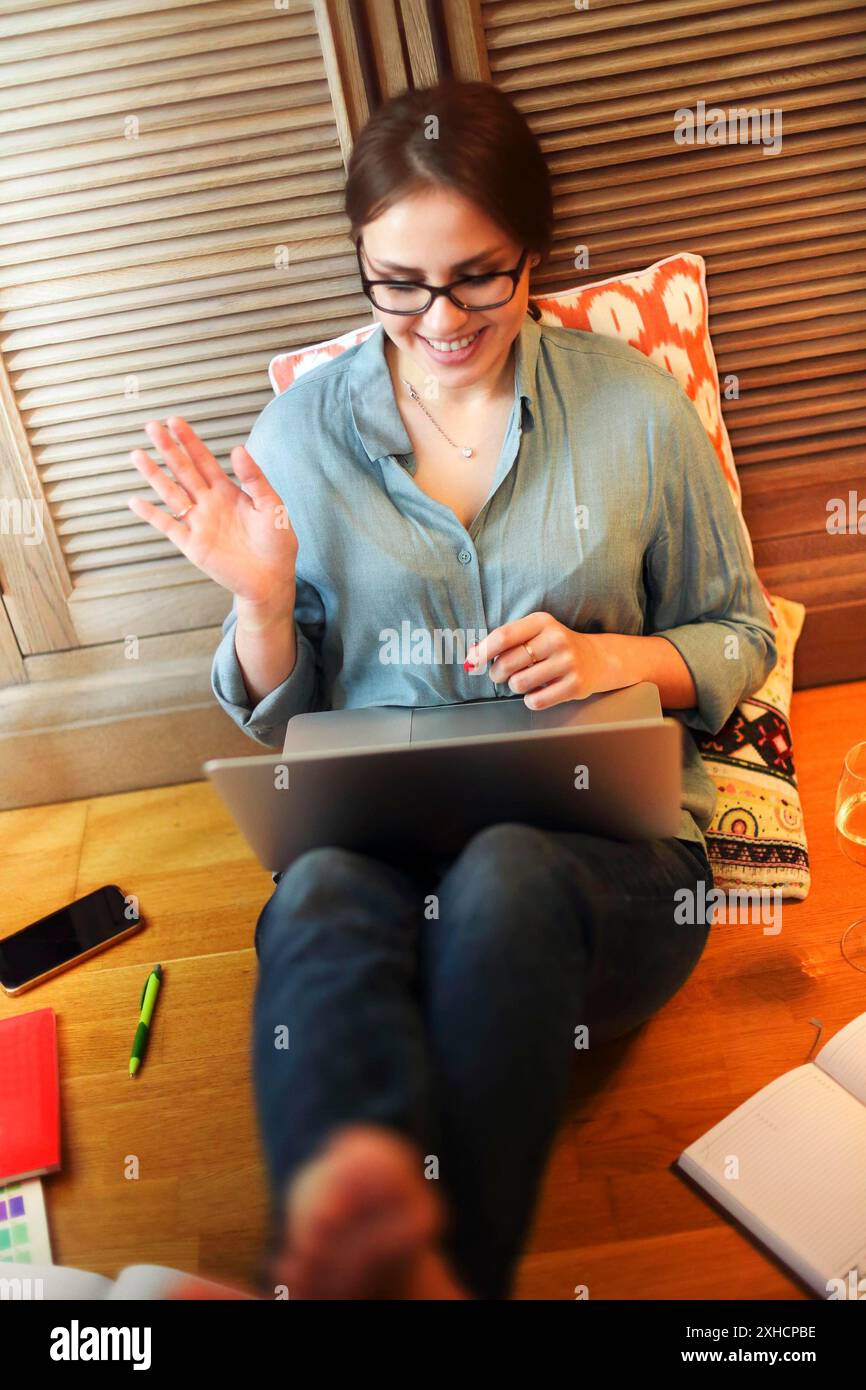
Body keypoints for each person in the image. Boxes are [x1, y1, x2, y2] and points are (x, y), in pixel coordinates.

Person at [128, 79, 777, 1300]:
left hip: (608, 869)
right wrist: (263, 602)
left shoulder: (633, 412)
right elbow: (281, 712)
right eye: (398, 281)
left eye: (477, 276)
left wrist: (618, 659)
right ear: (361, 263)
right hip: (380, 858)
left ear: (533, 254)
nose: (437, 318)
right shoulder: (299, 434)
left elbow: (739, 630)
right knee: (315, 892)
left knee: (505, 876)